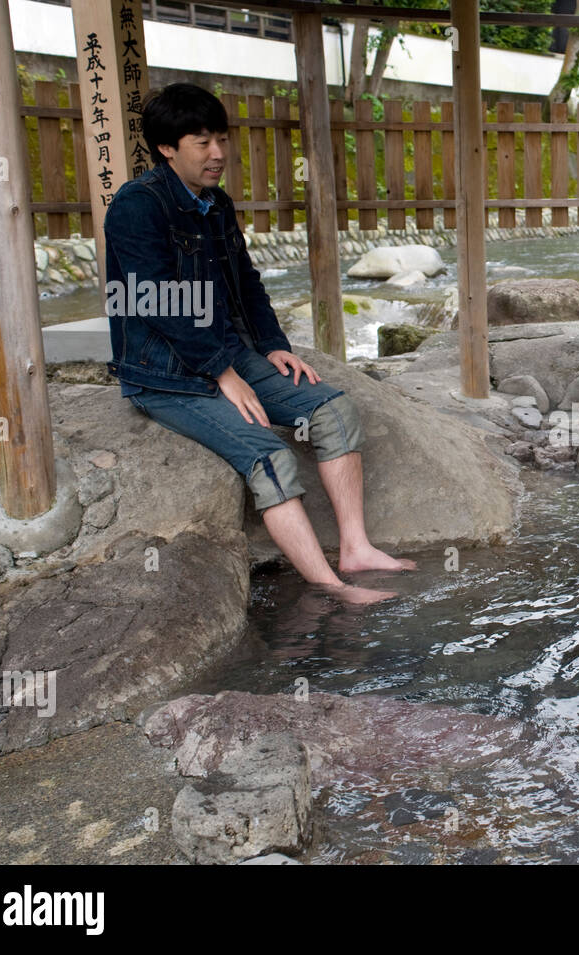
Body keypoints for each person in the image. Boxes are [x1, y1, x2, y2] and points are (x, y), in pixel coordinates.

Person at [103, 83, 414, 604]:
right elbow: (154, 301)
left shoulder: (216, 204)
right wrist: (223, 372)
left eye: (221, 139)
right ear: (166, 148)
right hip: (166, 375)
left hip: (230, 351)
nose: (217, 154)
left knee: (333, 411)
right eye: (201, 142)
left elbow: (245, 281)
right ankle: (331, 587)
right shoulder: (138, 206)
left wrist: (272, 343)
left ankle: (356, 548)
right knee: (271, 456)